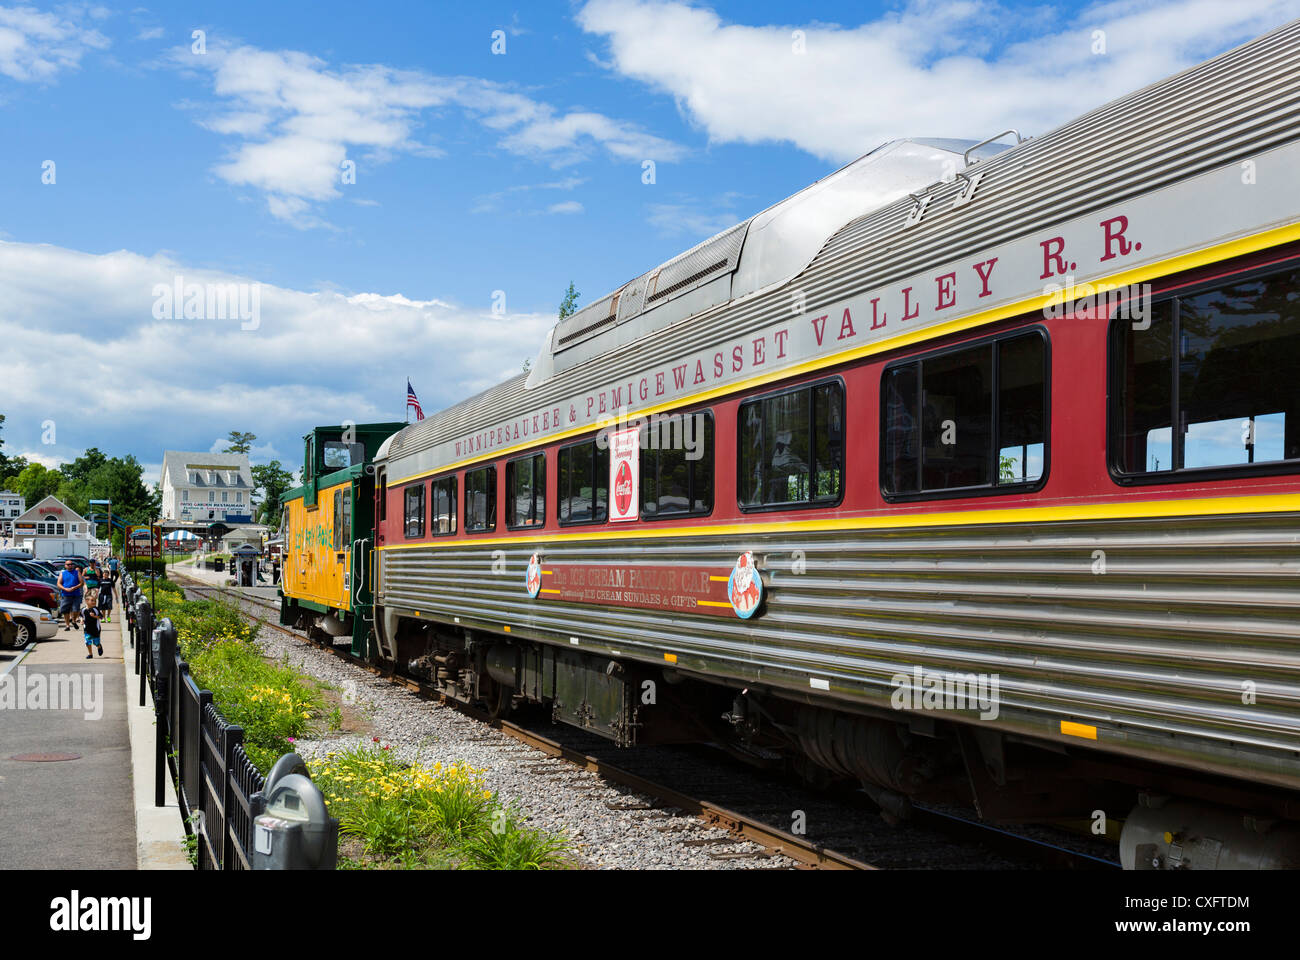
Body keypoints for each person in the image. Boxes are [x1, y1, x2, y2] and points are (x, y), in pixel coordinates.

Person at [57, 559, 84, 631]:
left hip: (76, 594)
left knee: (76, 609)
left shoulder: (77, 572)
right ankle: (67, 625)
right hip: (66, 594)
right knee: (66, 611)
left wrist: (74, 587)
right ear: (65, 566)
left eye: (71, 564)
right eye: (68, 564)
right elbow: (58, 584)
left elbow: (82, 583)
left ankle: (73, 620)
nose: (70, 566)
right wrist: (65, 589)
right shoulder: (63, 573)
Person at [82, 589, 103, 658]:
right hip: (87, 629)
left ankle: (99, 646)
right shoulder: (83, 610)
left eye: (95, 601)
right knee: (87, 641)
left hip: (96, 629)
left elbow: (101, 617)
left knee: (96, 642)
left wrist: (94, 616)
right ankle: (90, 654)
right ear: (86, 601)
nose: (94, 602)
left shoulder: (96, 609)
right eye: (92, 600)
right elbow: (80, 616)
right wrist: (81, 620)